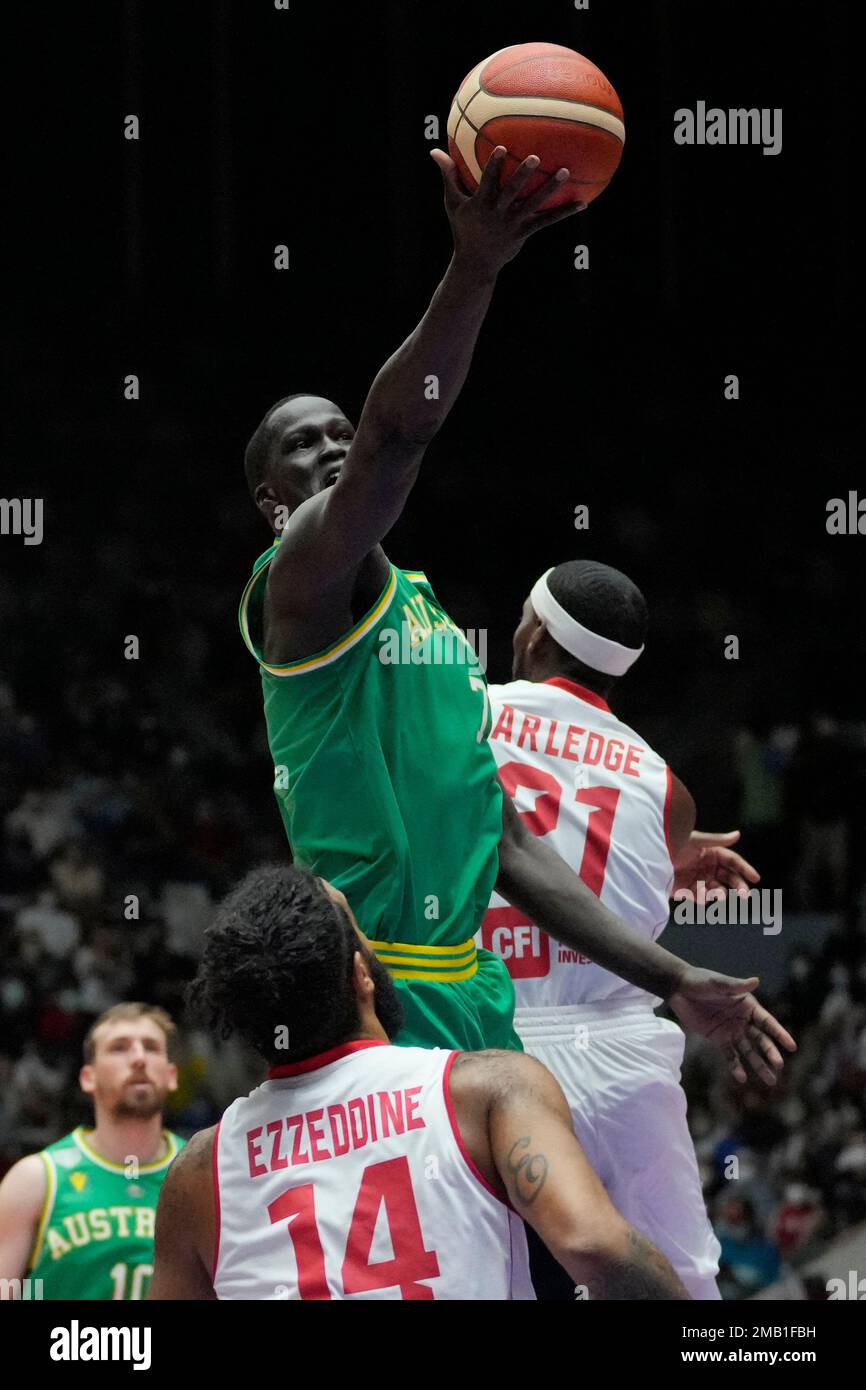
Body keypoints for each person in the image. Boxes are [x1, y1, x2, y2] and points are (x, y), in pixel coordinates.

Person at [237, 146, 793, 1078]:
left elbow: (509, 849)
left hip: (471, 986)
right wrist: (476, 263)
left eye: (339, 430)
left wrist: (669, 976)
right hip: (374, 990)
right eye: (304, 445)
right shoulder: (297, 586)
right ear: (270, 502)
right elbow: (395, 437)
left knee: (549, 1227)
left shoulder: (431, 631)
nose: (332, 448)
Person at [478, 558, 797, 1299]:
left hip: (492, 1037)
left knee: (492, 1276)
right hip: (621, 1047)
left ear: (533, 633)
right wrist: (662, 868)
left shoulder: (468, 712)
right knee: (679, 1276)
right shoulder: (666, 787)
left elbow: (506, 845)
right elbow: (590, 867)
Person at [148, 865, 689, 1300]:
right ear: (360, 974)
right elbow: (594, 1245)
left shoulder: (199, 1170)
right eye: (362, 931)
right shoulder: (487, 1090)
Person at [0, 1003, 183, 1300]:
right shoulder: (37, 1178)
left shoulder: (205, 1174)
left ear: (172, 1075)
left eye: (151, 1048)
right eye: (119, 1048)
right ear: (88, 1077)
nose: (138, 1059)